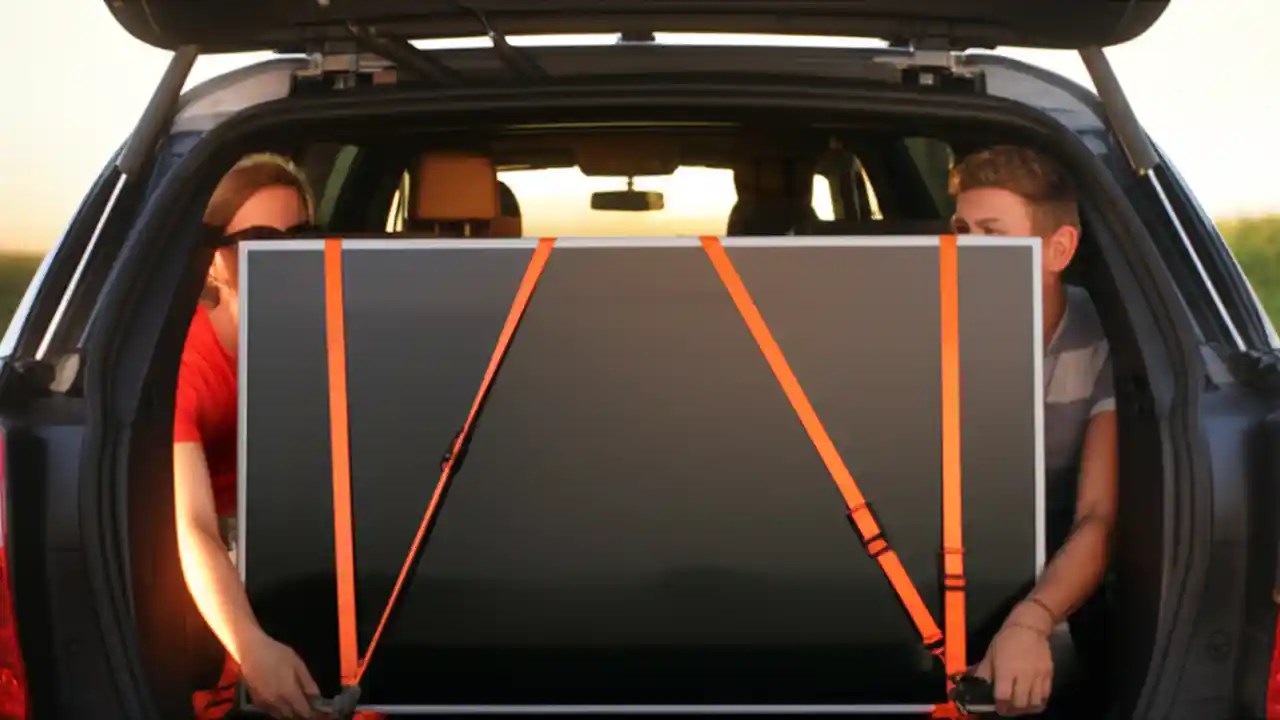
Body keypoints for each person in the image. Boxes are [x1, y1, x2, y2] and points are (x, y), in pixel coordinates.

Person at [174, 153, 376, 720]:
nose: (282, 254)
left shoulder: (323, 329)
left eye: (300, 236)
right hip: (226, 573)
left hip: (301, 542)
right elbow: (191, 525)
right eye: (258, 238)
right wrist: (249, 647)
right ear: (214, 259)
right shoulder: (185, 363)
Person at [949, 145, 1119, 717]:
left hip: (1040, 572)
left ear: (1059, 249)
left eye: (992, 235)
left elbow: (1097, 514)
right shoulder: (928, 324)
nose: (968, 250)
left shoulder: (1101, 341)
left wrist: (1032, 620)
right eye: (961, 230)